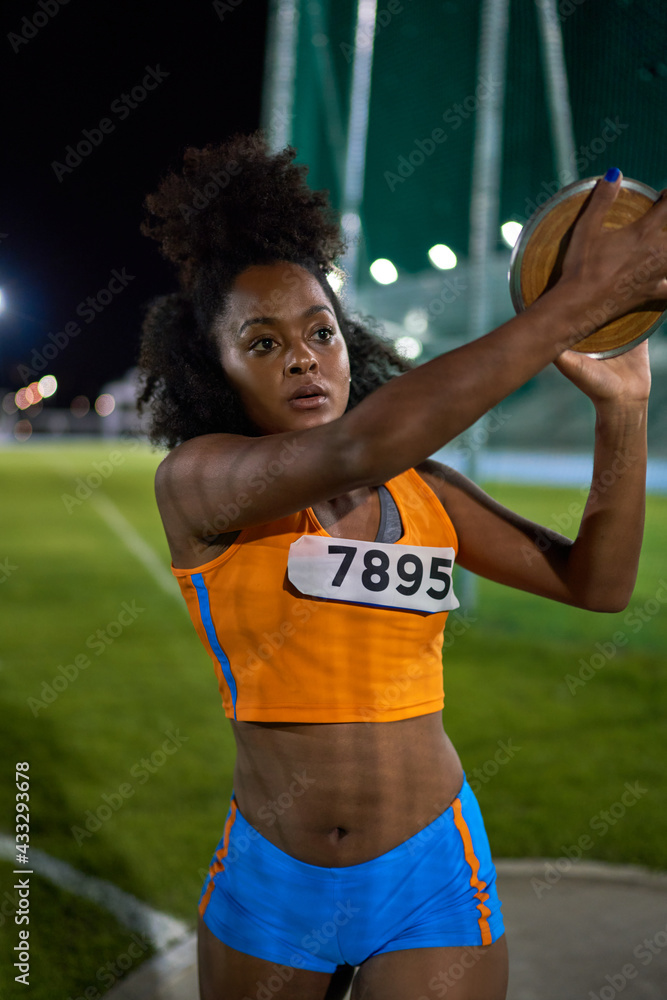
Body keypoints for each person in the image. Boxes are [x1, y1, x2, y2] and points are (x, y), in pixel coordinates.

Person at [136, 131, 666, 1000]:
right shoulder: (200, 485)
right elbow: (357, 445)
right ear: (214, 370)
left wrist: (624, 412)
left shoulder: (426, 495)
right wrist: (575, 305)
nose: (305, 355)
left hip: (429, 877)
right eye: (262, 344)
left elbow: (597, 586)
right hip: (274, 884)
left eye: (320, 331)